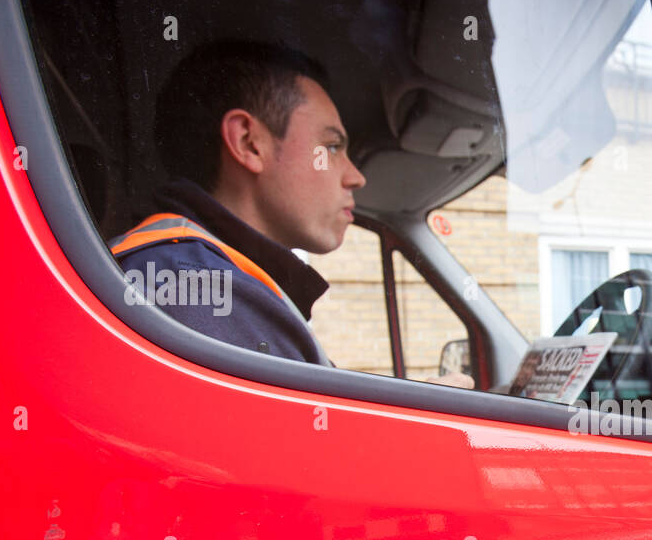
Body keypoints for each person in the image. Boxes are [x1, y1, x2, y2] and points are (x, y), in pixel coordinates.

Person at [111, 41, 471, 386]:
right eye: (331, 146)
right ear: (249, 143)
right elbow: (292, 449)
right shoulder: (193, 283)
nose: (356, 176)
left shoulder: (204, 274)